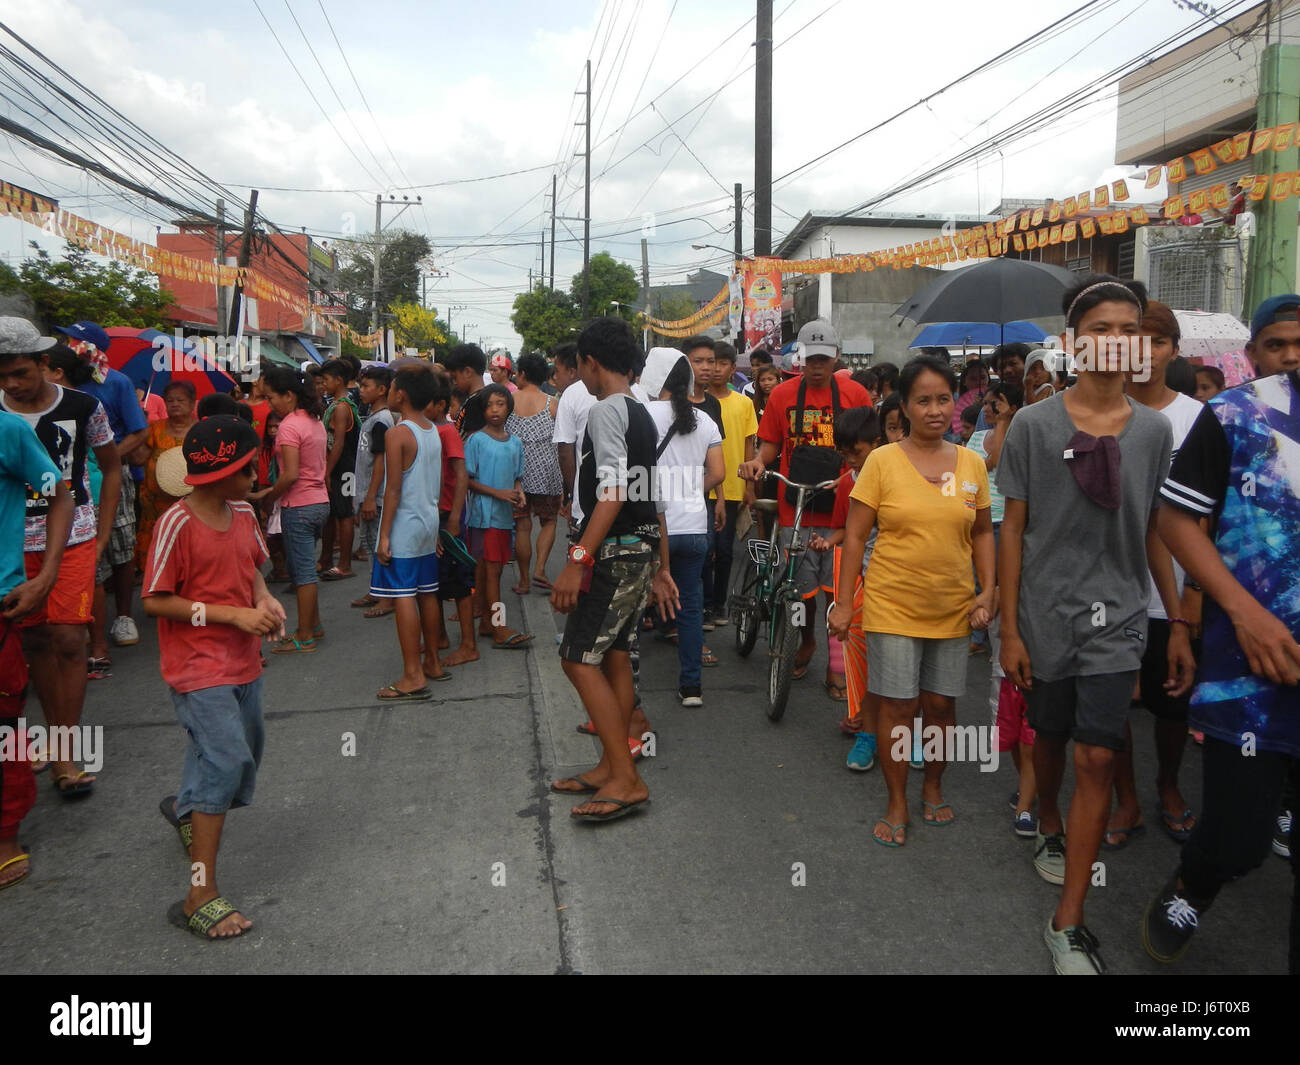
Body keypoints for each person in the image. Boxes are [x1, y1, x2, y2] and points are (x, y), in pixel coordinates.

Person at [997, 275, 1191, 975]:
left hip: (1122, 617)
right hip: (1046, 615)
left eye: (1127, 329)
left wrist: (1176, 623)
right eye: (1100, 328)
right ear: (1074, 342)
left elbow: (1156, 529)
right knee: (1048, 740)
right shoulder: (1033, 424)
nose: (1115, 341)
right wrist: (1012, 630)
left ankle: (1068, 922)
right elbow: (1012, 529)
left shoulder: (1156, 431)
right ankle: (1046, 816)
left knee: (1099, 754)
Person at [1141, 295, 1300, 972]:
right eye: (1278, 343)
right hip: (1251, 671)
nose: (1292, 356)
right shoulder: (1232, 416)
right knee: (1240, 840)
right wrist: (1240, 611)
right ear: (1254, 352)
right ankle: (1193, 883)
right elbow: (1176, 522)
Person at [828, 355, 995, 848]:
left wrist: (989, 589)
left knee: (942, 707)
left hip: (953, 607)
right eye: (923, 400)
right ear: (905, 404)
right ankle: (897, 798)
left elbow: (984, 531)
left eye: (944, 398)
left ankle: (935, 784)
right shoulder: (881, 462)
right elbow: (855, 538)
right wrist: (842, 604)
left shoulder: (972, 462)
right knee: (898, 707)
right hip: (892, 605)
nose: (935, 410)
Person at [143, 416, 285, 939]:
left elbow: (250, 570)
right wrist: (231, 616)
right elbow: (156, 600)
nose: (257, 472)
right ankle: (199, 893)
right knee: (225, 764)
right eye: (249, 465)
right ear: (221, 472)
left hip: (244, 661)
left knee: (229, 756)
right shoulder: (175, 524)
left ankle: (188, 809)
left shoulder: (245, 512)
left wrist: (263, 600)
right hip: (198, 667)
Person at [549, 317, 677, 822]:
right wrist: (662, 567)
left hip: (616, 553)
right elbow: (654, 499)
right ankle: (611, 764)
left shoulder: (606, 411)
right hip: (640, 550)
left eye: (578, 365)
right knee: (616, 657)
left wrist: (577, 560)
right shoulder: (641, 414)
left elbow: (615, 491)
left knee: (578, 659)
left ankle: (626, 777)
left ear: (590, 363)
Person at [0, 321, 120, 795]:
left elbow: (111, 468)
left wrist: (104, 530)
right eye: (3, 375)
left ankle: (65, 750)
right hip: (11, 545)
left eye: (21, 373)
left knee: (70, 639)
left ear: (45, 364)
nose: (12, 384)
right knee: (32, 645)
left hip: (73, 537)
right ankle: (47, 737)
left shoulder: (83, 406)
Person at [1105, 301, 1206, 851]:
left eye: (1155, 340)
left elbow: (1205, 515)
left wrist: (1192, 595)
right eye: (1132, 338)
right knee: (1113, 699)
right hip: (1112, 588)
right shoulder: (1099, 413)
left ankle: (1168, 785)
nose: (1142, 350)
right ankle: (1126, 799)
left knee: (1171, 701)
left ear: (1173, 349)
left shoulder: (1197, 419)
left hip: (1173, 592)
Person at [740, 320, 872, 685]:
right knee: (800, 589)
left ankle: (836, 663)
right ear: (799, 359)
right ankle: (806, 640)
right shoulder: (782, 395)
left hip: (843, 506)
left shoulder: (855, 395)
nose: (816, 367)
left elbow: (869, 447)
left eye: (823, 360)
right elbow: (770, 445)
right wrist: (757, 463)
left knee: (839, 588)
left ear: (836, 358)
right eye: (810, 359)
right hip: (795, 504)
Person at [0, 407, 73, 889]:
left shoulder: (8, 431)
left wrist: (46, 576)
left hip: (1, 599)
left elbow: (60, 496)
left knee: (3, 720)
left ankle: (6, 833)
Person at [56, 322, 148, 651]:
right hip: (69, 478)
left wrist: (105, 458)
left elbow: (139, 432)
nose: (67, 345)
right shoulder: (61, 383)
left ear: (91, 348)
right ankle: (83, 619)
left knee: (121, 546)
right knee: (79, 547)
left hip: (113, 474)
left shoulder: (117, 383)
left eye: (73, 340)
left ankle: (124, 616)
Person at [643, 347, 723, 706]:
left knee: (635, 602)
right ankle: (692, 686)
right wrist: (689, 490)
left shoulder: (642, 414)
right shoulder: (705, 419)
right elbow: (718, 473)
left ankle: (627, 690)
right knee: (691, 606)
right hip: (694, 527)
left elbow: (635, 474)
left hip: (651, 527)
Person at [370, 367, 447, 699]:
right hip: (428, 521)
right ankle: (432, 661)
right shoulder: (432, 430)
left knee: (403, 594)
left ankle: (412, 674)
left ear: (400, 394)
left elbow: (393, 491)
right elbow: (435, 483)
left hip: (404, 524)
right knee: (427, 593)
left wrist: (383, 535)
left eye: (392, 387)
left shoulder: (398, 432)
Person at [814, 406, 881, 761]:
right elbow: (848, 533)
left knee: (909, 664)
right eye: (845, 453)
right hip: (865, 579)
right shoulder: (849, 482)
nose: (851, 459)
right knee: (863, 654)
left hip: (902, 580)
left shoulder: (900, 471)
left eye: (857, 451)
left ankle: (907, 733)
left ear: (878, 442)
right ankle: (865, 725)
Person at [249, 366, 328, 653]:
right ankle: (314, 625)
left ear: (289, 395)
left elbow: (290, 474)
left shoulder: (289, 426)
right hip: (319, 501)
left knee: (303, 574)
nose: (269, 404)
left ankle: (305, 634)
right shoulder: (313, 420)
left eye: (271, 398)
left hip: (299, 505)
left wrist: (270, 498)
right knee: (304, 568)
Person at [464, 384, 532, 649]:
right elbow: (467, 480)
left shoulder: (515, 442)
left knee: (491, 570)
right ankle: (500, 626)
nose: (495, 410)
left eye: (500, 404)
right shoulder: (476, 440)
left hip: (504, 517)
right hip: (484, 515)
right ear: (483, 409)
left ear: (509, 408)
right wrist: (498, 494)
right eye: (490, 405)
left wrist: (518, 492)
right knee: (492, 571)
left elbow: (517, 477)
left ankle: (486, 622)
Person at [706, 342, 757, 627]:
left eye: (722, 364)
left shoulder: (744, 403)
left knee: (724, 551)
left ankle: (718, 603)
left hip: (734, 487)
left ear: (733, 369)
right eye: (711, 363)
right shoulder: (697, 401)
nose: (715, 369)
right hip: (704, 486)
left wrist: (750, 487)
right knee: (705, 550)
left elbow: (749, 446)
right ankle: (703, 603)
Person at [506, 352, 563, 595]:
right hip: (548, 473)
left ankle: (524, 581)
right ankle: (540, 569)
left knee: (522, 526)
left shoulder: (508, 401)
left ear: (524, 374)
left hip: (517, 473)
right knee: (549, 521)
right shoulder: (552, 404)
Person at [427, 373, 474, 665]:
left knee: (459, 584)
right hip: (436, 516)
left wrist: (455, 517)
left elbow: (460, 476)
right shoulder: (431, 431)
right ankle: (440, 635)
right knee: (435, 583)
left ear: (440, 404)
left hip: (447, 518)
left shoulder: (446, 432)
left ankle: (469, 644)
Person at [132, 381, 198, 574]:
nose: (175, 404)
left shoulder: (202, 430)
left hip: (192, 507)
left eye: (180, 400)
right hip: (155, 508)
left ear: (193, 403)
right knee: (157, 558)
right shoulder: (154, 428)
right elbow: (138, 459)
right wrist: (137, 429)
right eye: (170, 400)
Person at [350, 367, 396, 616]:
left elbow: (380, 461)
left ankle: (387, 597)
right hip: (368, 493)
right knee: (369, 544)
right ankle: (376, 590)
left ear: (381, 390)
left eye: (366, 385)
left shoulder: (382, 420)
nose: (362, 390)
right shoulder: (372, 416)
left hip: (375, 496)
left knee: (378, 545)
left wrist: (369, 498)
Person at [317, 359, 360, 581]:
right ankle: (326, 558)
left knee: (344, 514)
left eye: (326, 380)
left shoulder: (342, 407)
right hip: (337, 465)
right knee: (333, 513)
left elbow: (339, 443)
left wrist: (326, 471)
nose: (323, 384)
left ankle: (344, 564)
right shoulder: (337, 404)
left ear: (339, 380)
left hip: (344, 466)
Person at [552, 341, 597, 537]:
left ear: (572, 371)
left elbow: (565, 450)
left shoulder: (571, 394)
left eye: (556, 371)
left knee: (580, 559)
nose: (554, 378)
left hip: (585, 500)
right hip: (629, 504)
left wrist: (573, 491)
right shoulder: (638, 394)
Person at [448, 344, 490, 438]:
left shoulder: (475, 403)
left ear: (467, 372)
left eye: (454, 377)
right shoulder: (480, 398)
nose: (454, 382)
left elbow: (473, 442)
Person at [950, 358, 989, 434]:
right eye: (973, 379)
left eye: (983, 377)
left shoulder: (997, 399)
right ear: (964, 381)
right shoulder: (953, 401)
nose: (979, 382)